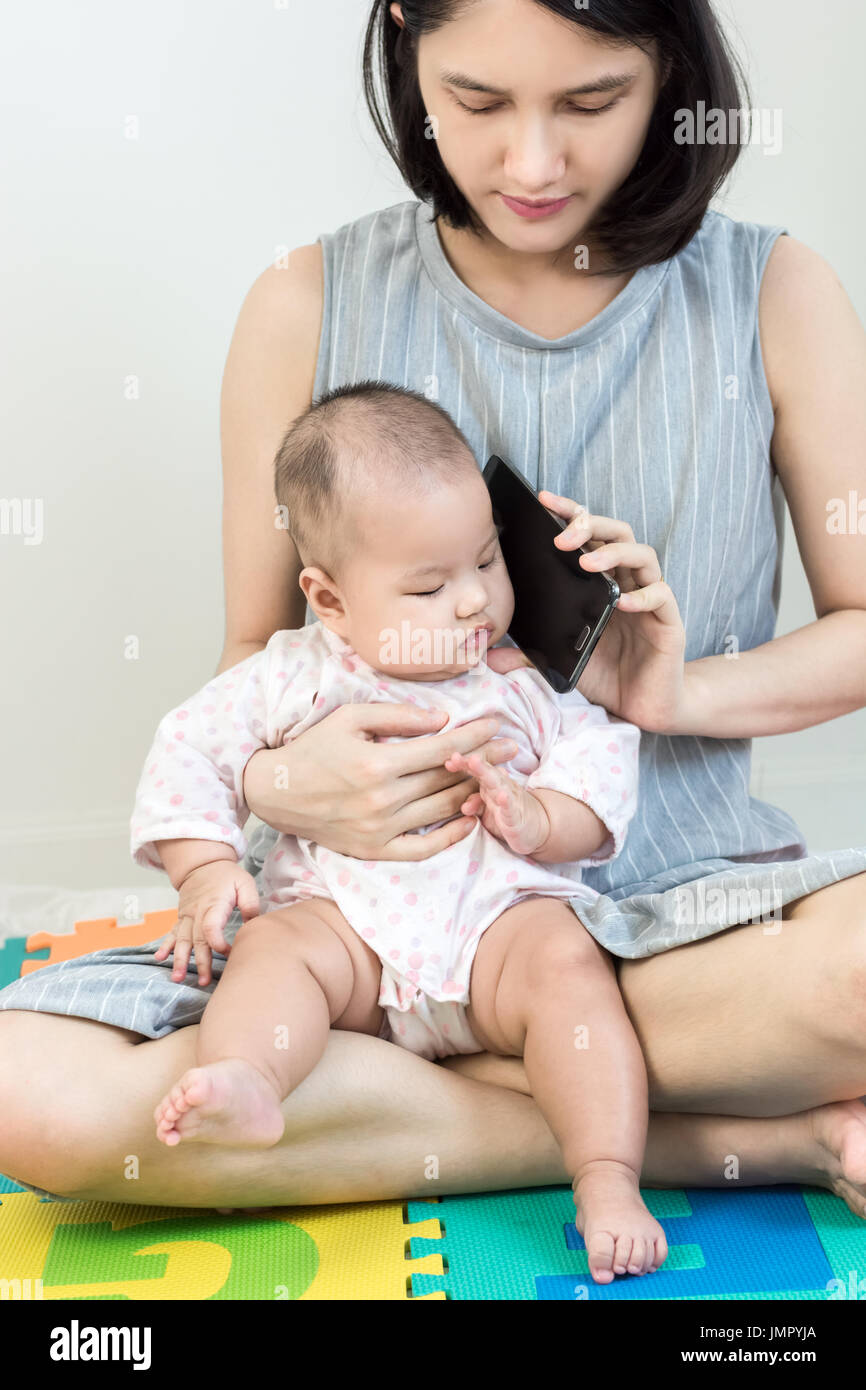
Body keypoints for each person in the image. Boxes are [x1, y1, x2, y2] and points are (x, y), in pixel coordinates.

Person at [2, 0, 866, 1226]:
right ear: (404, 35)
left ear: (668, 65)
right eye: (474, 102)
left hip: (679, 919)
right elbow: (249, 661)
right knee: (28, 1094)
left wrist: (675, 694)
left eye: (588, 103)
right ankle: (720, 1134)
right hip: (348, 924)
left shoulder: (772, 291)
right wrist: (279, 785)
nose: (529, 164)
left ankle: (438, 1091)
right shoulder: (303, 302)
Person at [138, 382, 664, 1282]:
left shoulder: (521, 677)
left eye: (488, 563)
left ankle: (608, 1175)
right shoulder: (293, 674)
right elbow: (188, 750)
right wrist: (205, 869)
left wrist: (542, 818)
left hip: (495, 927)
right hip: (352, 939)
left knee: (572, 972)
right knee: (275, 955)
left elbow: (600, 770)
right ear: (329, 599)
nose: (473, 603)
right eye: (429, 585)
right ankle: (253, 1084)